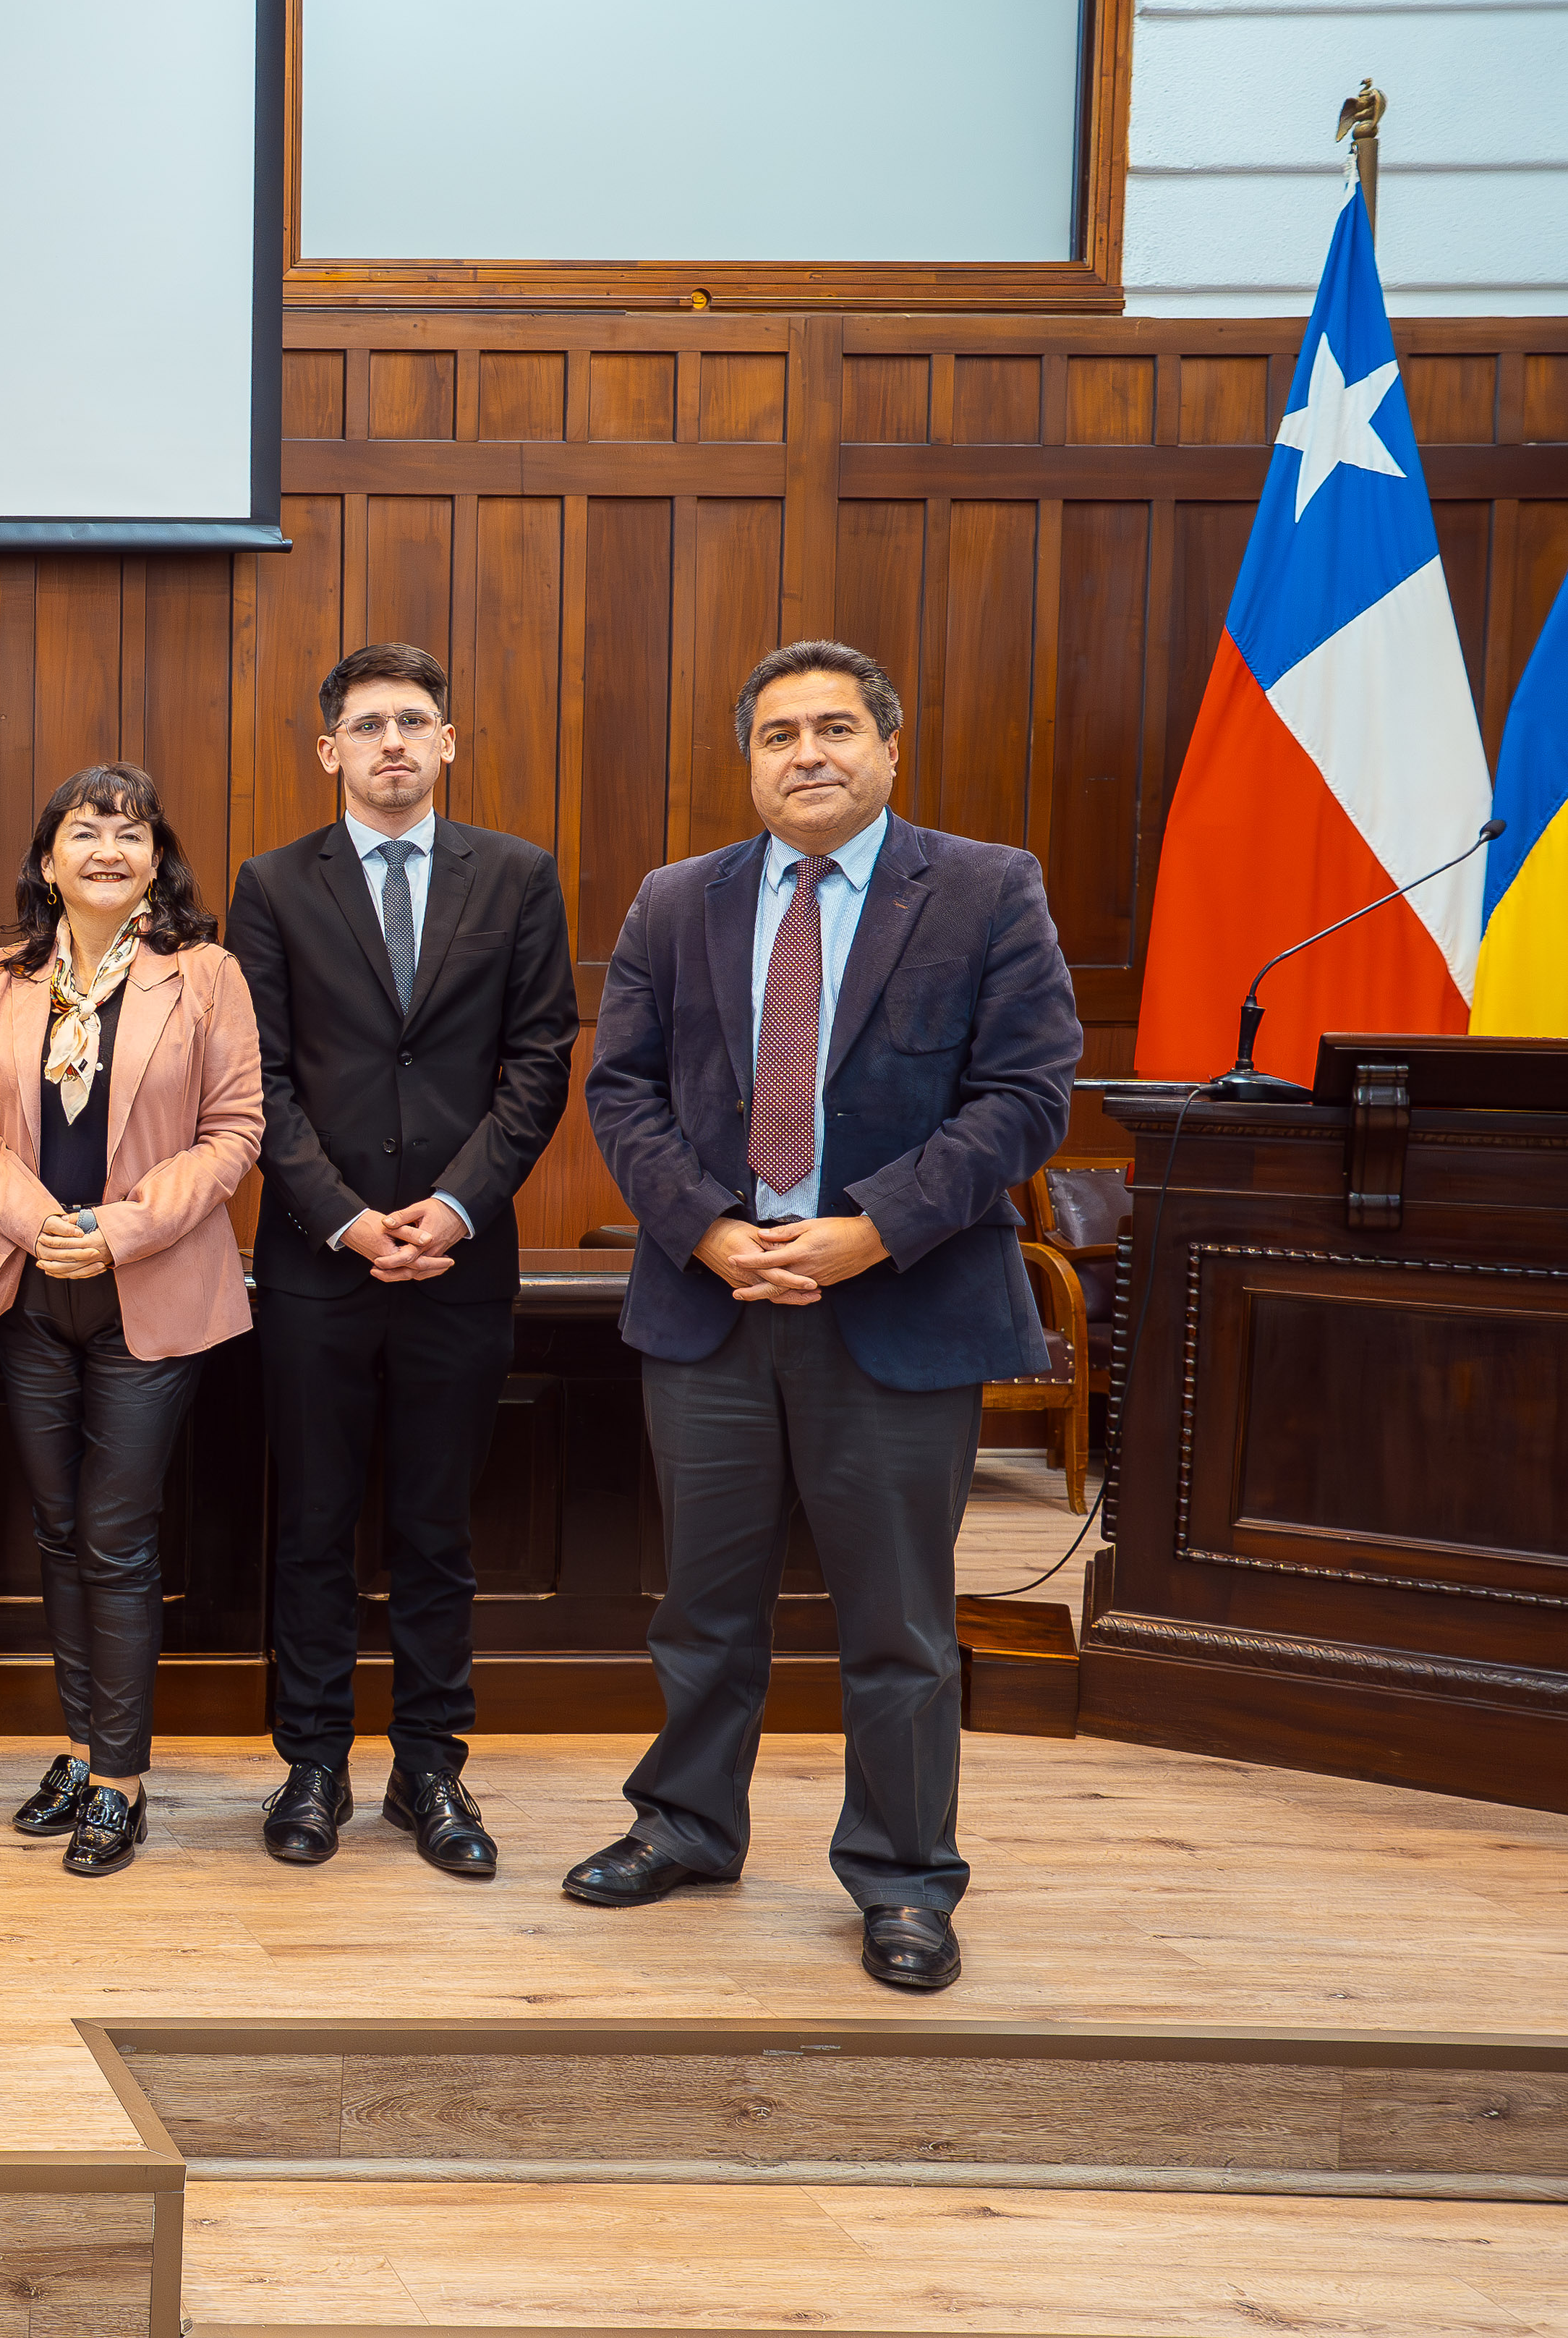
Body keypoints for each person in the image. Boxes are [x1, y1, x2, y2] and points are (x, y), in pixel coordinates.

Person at [577, 639, 1077, 1994]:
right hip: (712, 1304)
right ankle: (685, 1824)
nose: (808, 752)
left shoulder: (982, 888)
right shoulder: (676, 902)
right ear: (748, 762)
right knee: (702, 1606)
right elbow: (619, 1090)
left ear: (889, 749)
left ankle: (904, 1877)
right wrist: (709, 1227)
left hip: (899, 1307)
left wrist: (874, 1226)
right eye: (779, 733)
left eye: (836, 728)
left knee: (899, 1622)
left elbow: (1025, 1095)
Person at [223, 643, 577, 1877]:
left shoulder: (518, 877)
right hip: (318, 1264)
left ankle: (428, 1767)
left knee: (435, 1529)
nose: (389, 741)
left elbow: (537, 1060)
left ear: (446, 742)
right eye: (365, 723)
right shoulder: (268, 887)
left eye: (412, 721)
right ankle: (312, 1761)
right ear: (326, 749)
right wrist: (342, 1214)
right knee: (313, 1524)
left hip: (460, 1265)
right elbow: (255, 1077)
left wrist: (456, 1203)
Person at [0, 765, 263, 1878]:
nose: (107, 850)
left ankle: (120, 1780)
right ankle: (78, 1748)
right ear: (47, 860)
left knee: (116, 1538)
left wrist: (117, 1228)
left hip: (151, 1289)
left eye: (131, 833)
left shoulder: (204, 973)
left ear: (157, 861)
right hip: (30, 1288)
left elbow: (232, 1131)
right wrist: (40, 1227)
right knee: (58, 1530)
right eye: (85, 832)